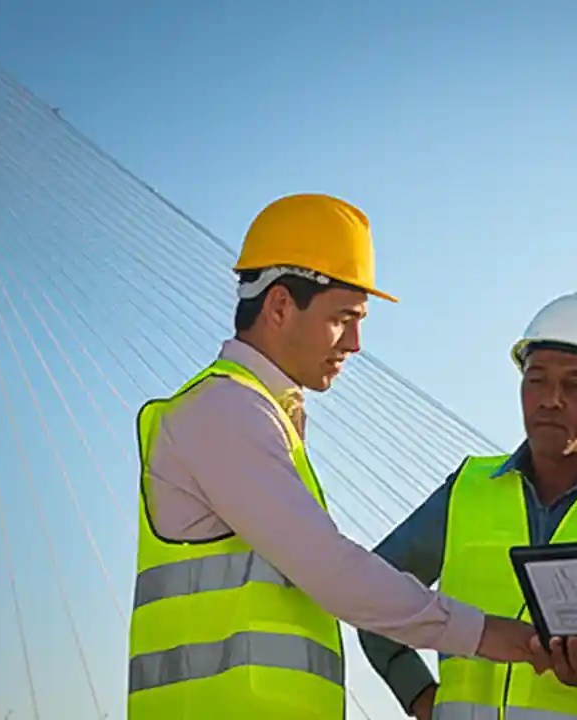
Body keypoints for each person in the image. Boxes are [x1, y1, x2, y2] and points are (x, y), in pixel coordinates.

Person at [127, 193, 535, 719]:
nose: (356, 343)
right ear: (278, 306)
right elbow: (333, 570)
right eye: (344, 317)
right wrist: (490, 635)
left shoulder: (261, 415)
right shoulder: (225, 409)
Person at [358, 291, 577, 719]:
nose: (551, 399)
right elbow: (371, 593)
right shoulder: (466, 490)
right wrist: (419, 695)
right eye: (536, 380)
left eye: (576, 385)